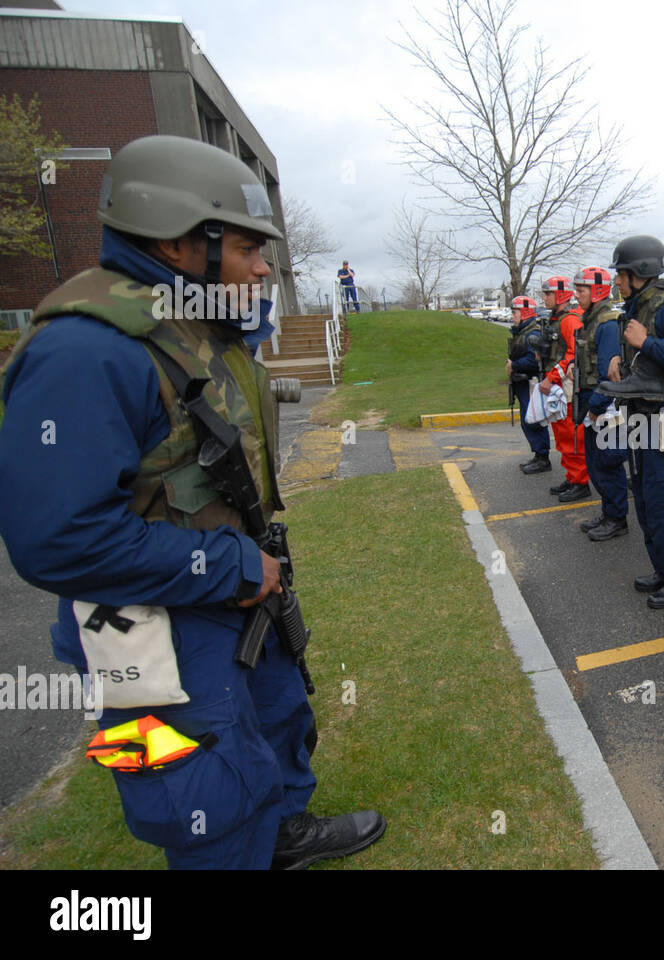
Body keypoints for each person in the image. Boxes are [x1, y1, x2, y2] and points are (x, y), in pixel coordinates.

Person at [0, 134, 385, 869]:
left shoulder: (196, 328)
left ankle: (280, 837)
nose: (264, 266)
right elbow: (57, 539)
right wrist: (226, 567)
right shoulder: (87, 352)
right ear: (182, 245)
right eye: (248, 248)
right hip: (156, 622)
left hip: (236, 594)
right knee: (202, 797)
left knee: (277, 723)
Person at [598, 235, 664, 608]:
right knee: (645, 499)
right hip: (642, 416)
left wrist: (646, 343)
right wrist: (621, 359)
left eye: (621, 273)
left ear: (639, 272)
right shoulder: (637, 306)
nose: (617, 280)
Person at [571, 266, 630, 542]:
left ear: (596, 291)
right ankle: (609, 512)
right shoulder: (591, 319)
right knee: (595, 464)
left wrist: (595, 406)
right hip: (592, 399)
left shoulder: (606, 323)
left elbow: (610, 372)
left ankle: (617, 518)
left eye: (581, 290)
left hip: (604, 405)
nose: (576, 294)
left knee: (606, 464)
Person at [539, 276, 590, 502]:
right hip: (558, 386)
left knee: (572, 435)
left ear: (559, 294)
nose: (545, 298)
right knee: (562, 435)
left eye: (548, 293)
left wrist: (551, 378)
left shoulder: (569, 319)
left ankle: (580, 481)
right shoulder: (556, 319)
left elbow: (573, 354)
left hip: (566, 385)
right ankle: (572, 477)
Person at [506, 294, 552, 474]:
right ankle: (538, 454)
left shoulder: (532, 333)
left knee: (534, 420)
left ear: (524, 312)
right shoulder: (524, 332)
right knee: (528, 420)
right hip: (523, 382)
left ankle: (543, 457)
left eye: (515, 312)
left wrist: (514, 365)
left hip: (530, 382)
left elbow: (534, 361)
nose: (512, 316)